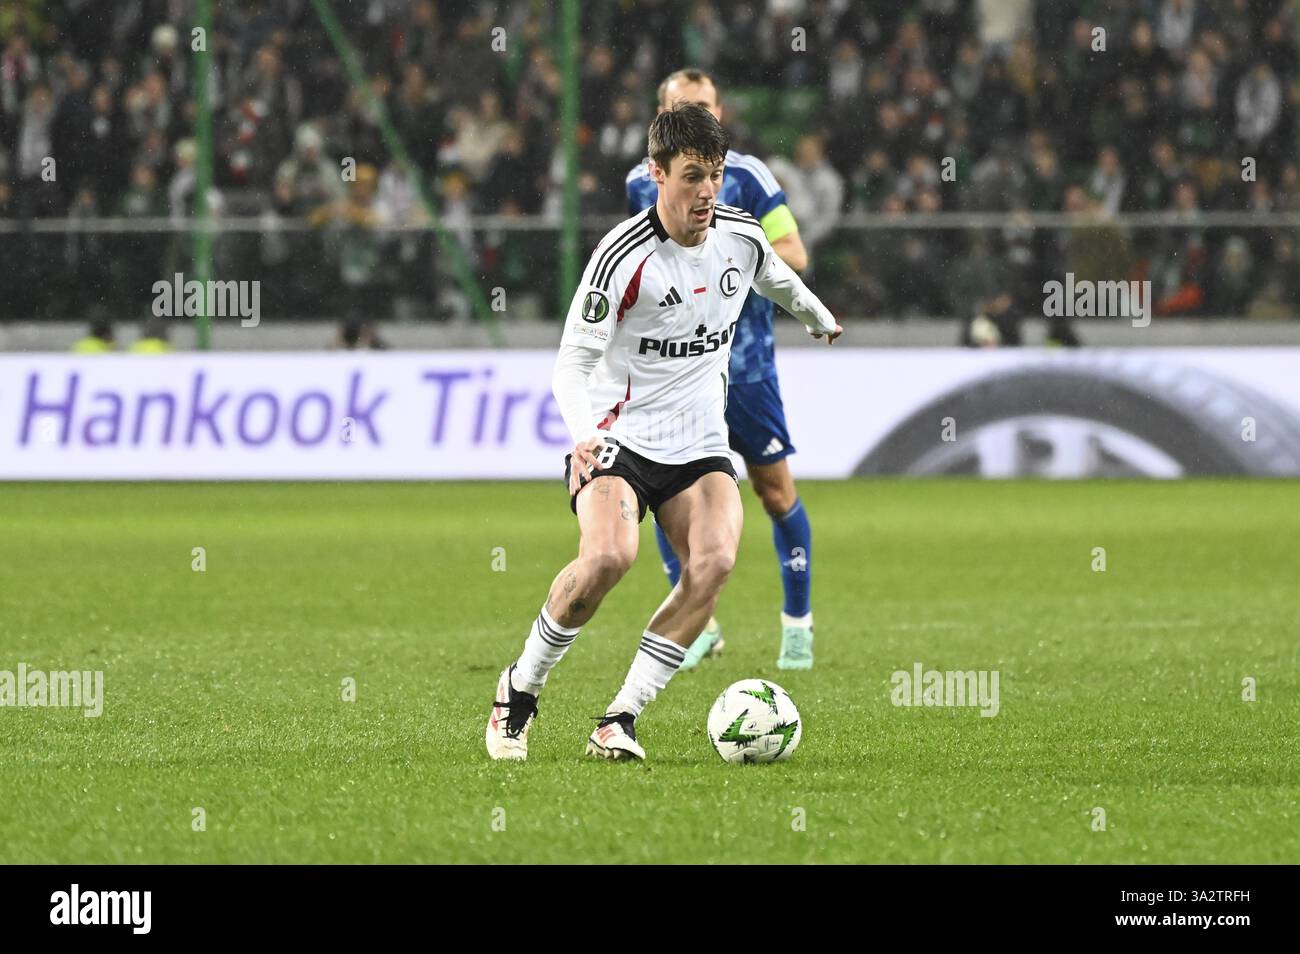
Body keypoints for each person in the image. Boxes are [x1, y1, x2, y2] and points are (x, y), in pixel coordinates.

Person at [485, 103, 840, 762]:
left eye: (715, 175)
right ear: (656, 174)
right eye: (691, 176)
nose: (706, 191)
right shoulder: (621, 258)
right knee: (609, 558)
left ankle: (619, 719)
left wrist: (817, 316)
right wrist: (582, 432)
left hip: (700, 442)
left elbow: (775, 276)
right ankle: (521, 689)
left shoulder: (740, 234)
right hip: (618, 438)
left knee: (713, 565)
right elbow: (572, 362)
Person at [626, 69, 819, 671]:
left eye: (705, 107)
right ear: (660, 119)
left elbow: (795, 254)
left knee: (774, 490)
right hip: (675, 375)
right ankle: (698, 625)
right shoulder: (639, 181)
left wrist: (733, 245)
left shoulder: (750, 175)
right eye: (684, 108)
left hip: (746, 368)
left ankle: (797, 627)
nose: (697, 116)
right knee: (666, 491)